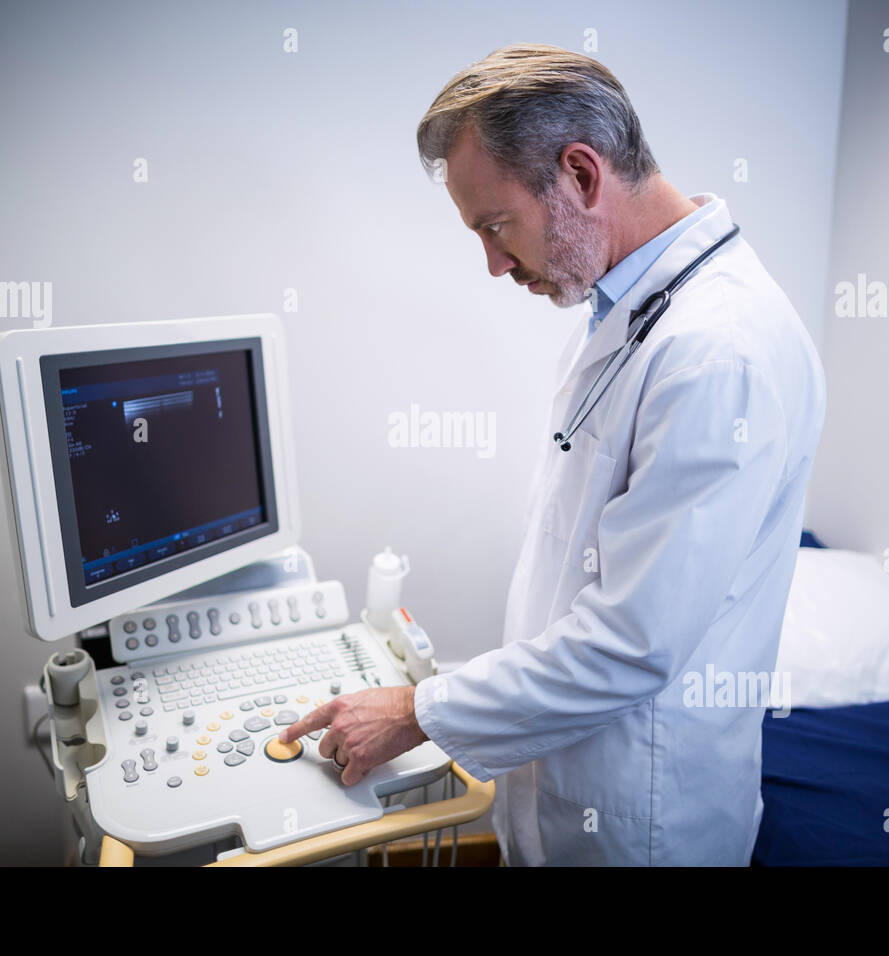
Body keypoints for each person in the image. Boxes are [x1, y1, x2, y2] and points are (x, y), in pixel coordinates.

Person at [281, 43, 826, 865]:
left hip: (641, 814)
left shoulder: (719, 353)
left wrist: (417, 710)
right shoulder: (632, 310)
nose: (495, 264)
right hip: (567, 774)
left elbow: (631, 642)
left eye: (496, 226)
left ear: (580, 174)